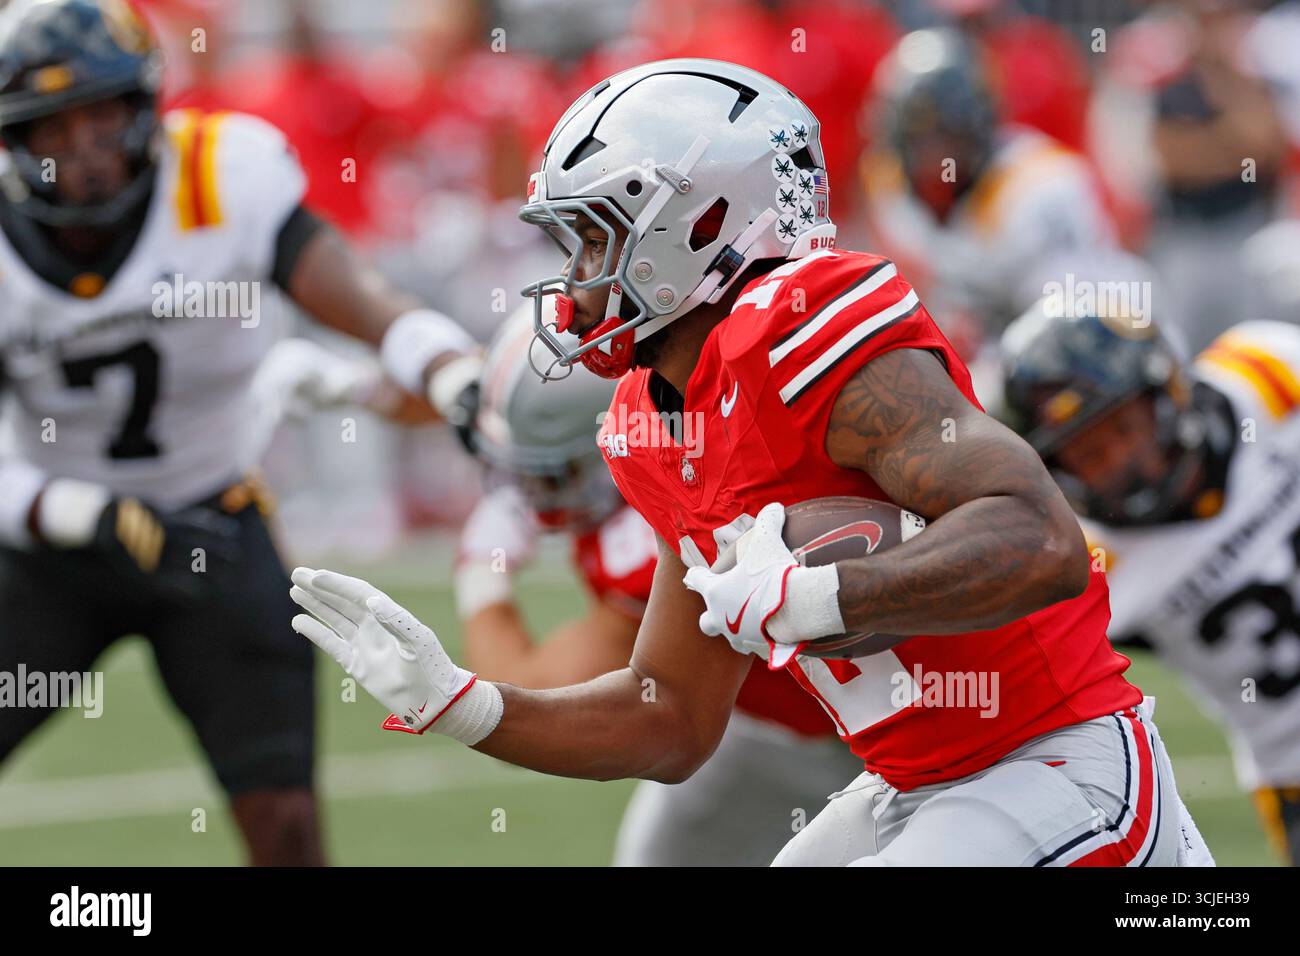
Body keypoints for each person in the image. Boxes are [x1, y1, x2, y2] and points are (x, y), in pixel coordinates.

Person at [290, 58, 1205, 865]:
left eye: (596, 238)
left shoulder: (805, 328)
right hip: (914, 781)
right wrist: (463, 703)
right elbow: (669, 716)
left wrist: (822, 599)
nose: (573, 282)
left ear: (699, 220)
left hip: (1057, 759)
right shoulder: (647, 420)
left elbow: (1040, 539)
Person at [0, 0, 476, 865]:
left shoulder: (223, 170)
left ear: (146, 109)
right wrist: (84, 515)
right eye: (51, 127)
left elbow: (364, 301)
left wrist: (449, 367)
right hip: (42, 549)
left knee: (286, 822)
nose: (84, 149)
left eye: (102, 114)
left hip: (210, 523)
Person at [455, 303, 858, 866]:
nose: (527, 498)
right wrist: (378, 378)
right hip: (760, 718)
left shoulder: (649, 543)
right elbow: (472, 389)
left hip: (845, 736)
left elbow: (526, 689)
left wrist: (481, 576)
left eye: (548, 475)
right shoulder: (676, 421)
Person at [1001, 299, 1300, 864]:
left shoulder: (1267, 373)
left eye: (1122, 428)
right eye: (1087, 452)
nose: (1117, 460)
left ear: (1167, 392)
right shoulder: (1093, 563)